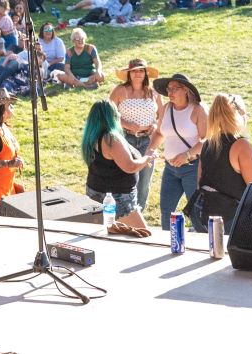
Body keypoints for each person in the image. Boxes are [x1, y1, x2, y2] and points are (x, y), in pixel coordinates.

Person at [82, 99, 153, 236]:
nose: (120, 115)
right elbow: (130, 166)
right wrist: (147, 158)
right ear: (111, 116)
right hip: (118, 199)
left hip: (98, 192)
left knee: (111, 236)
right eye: (117, 112)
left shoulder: (91, 136)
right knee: (144, 236)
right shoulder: (111, 138)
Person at [197, 93, 252, 228]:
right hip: (231, 218)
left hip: (203, 213)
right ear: (239, 115)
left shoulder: (207, 144)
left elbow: (199, 182)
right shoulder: (241, 145)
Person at [150, 72, 206, 228]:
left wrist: (187, 155)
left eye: (175, 88)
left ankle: (202, 245)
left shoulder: (197, 110)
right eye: (169, 89)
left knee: (196, 212)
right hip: (170, 168)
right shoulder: (166, 108)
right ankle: (167, 244)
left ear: (186, 90)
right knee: (166, 211)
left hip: (192, 168)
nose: (170, 92)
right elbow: (160, 132)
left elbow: (206, 139)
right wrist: (150, 150)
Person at [109, 59, 160, 214]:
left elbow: (162, 116)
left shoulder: (153, 92)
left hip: (147, 140)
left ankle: (139, 212)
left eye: (141, 70)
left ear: (145, 74)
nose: (138, 73)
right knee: (125, 176)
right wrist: (126, 124)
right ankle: (122, 211)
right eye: (134, 71)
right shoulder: (119, 90)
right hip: (125, 138)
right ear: (129, 74)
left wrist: (155, 126)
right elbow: (108, 113)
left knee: (144, 180)